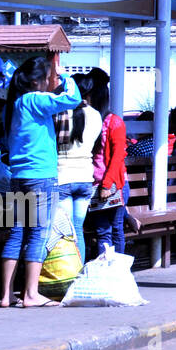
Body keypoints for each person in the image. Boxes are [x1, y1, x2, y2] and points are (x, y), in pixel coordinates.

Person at [0, 55, 81, 308]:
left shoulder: (14, 104)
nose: (51, 81)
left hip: (18, 176)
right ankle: (31, 295)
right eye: (48, 78)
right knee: (37, 235)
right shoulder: (35, 100)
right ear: (36, 82)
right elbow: (73, 99)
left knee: (15, 234)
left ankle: (5, 295)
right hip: (41, 176)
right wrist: (66, 76)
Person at [56, 73, 100, 253]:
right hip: (85, 178)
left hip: (62, 177)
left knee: (66, 232)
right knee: (78, 231)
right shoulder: (96, 115)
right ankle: (78, 273)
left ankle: (66, 275)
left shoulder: (60, 113)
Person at [87, 71, 129, 256]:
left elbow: (118, 156)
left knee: (114, 229)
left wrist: (106, 185)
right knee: (103, 231)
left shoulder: (114, 122)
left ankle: (117, 272)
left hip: (112, 185)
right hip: (95, 185)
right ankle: (106, 273)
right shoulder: (90, 120)